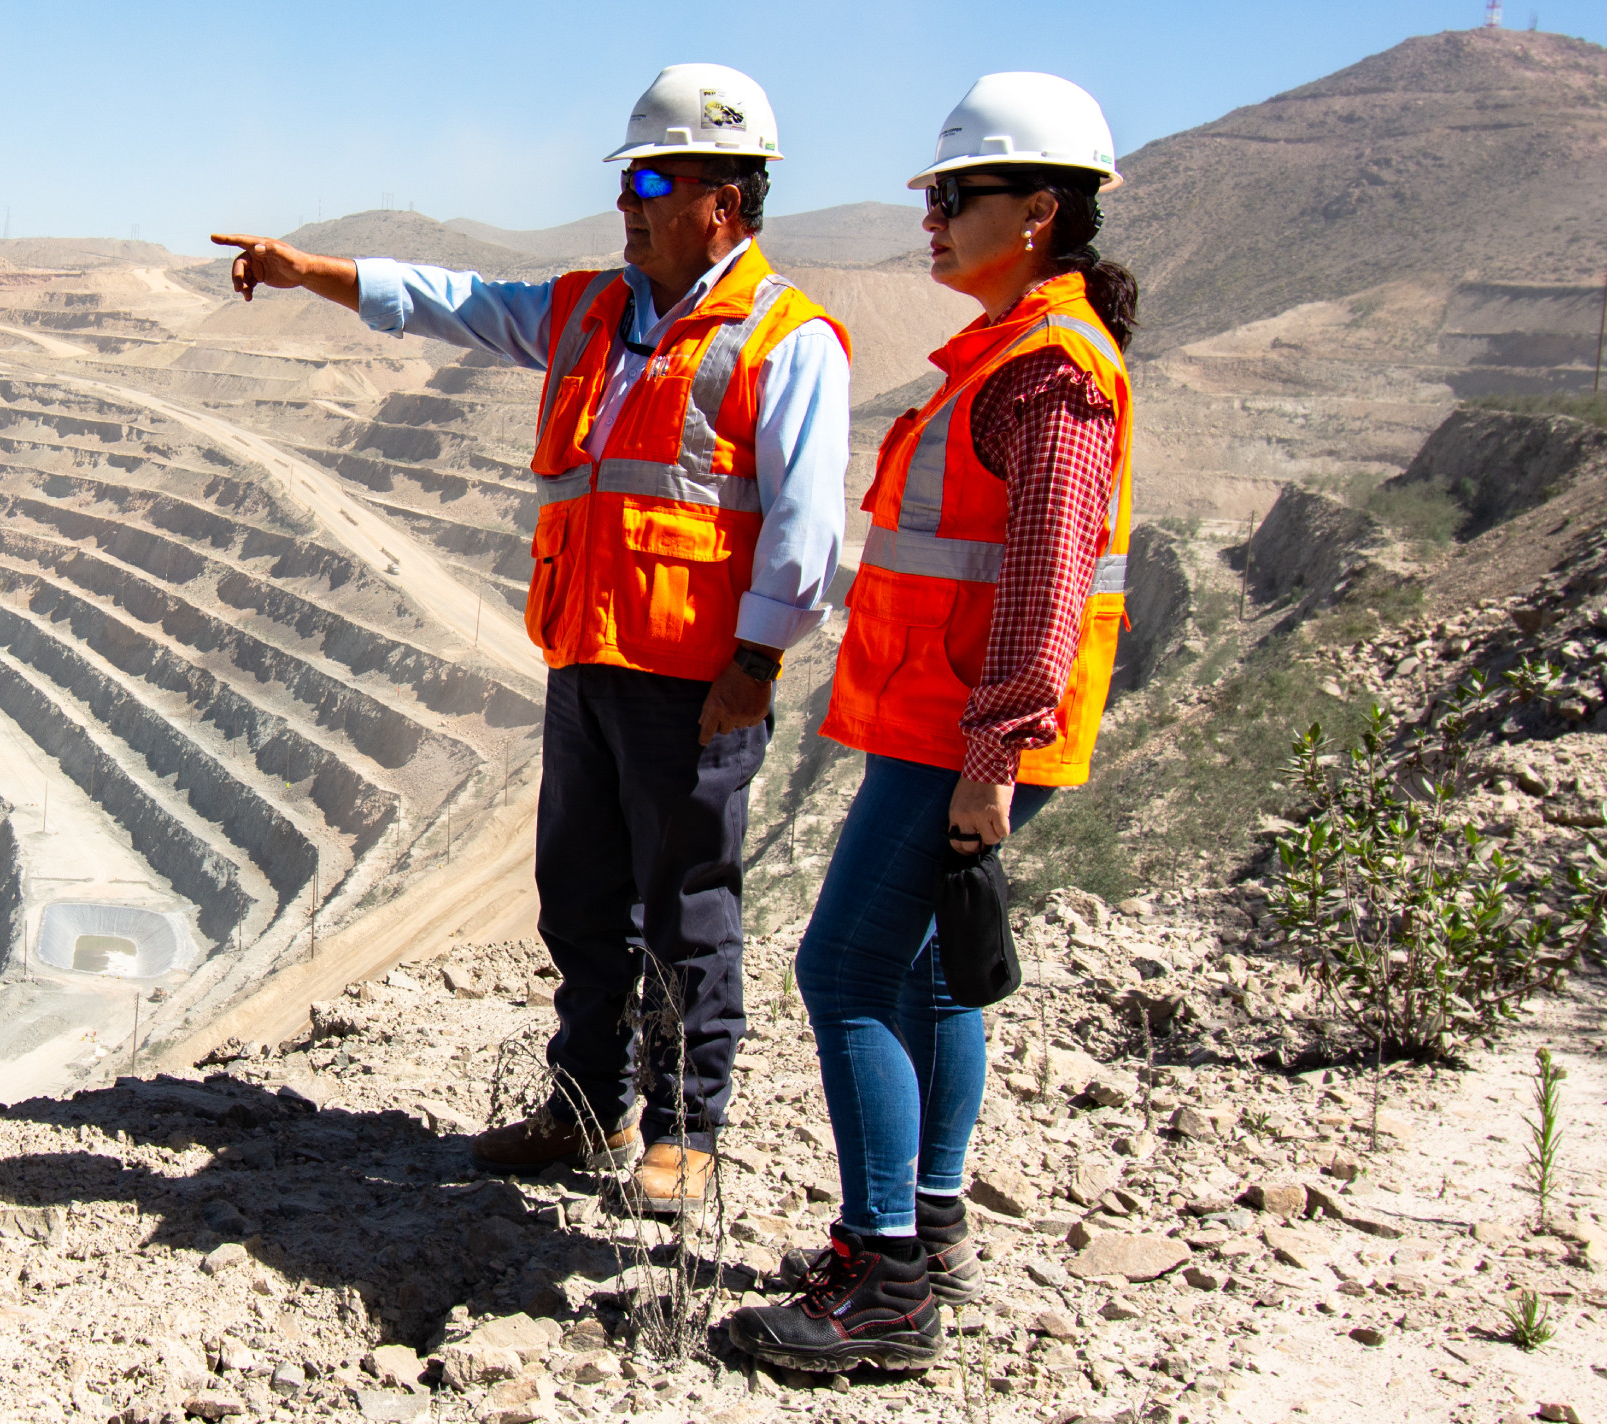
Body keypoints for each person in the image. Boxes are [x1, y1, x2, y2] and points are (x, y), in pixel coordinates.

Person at [212, 64, 852, 1213]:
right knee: (580, 892)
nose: (629, 202)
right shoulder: (593, 313)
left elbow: (806, 524)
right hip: (589, 656)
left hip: (693, 682)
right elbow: (455, 299)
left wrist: (755, 662)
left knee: (687, 907)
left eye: (654, 178)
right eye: (626, 181)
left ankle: (687, 1127)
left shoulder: (787, 339)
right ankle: (590, 1104)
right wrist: (312, 273)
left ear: (726, 199)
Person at [721, 71, 1141, 1372]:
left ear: (1034, 213)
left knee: (841, 971)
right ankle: (927, 1225)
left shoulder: (1050, 373)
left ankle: (884, 1282)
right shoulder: (1013, 354)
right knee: (917, 970)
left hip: (962, 732)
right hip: (937, 723)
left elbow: (1045, 575)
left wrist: (994, 753)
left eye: (955, 197)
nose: (932, 220)